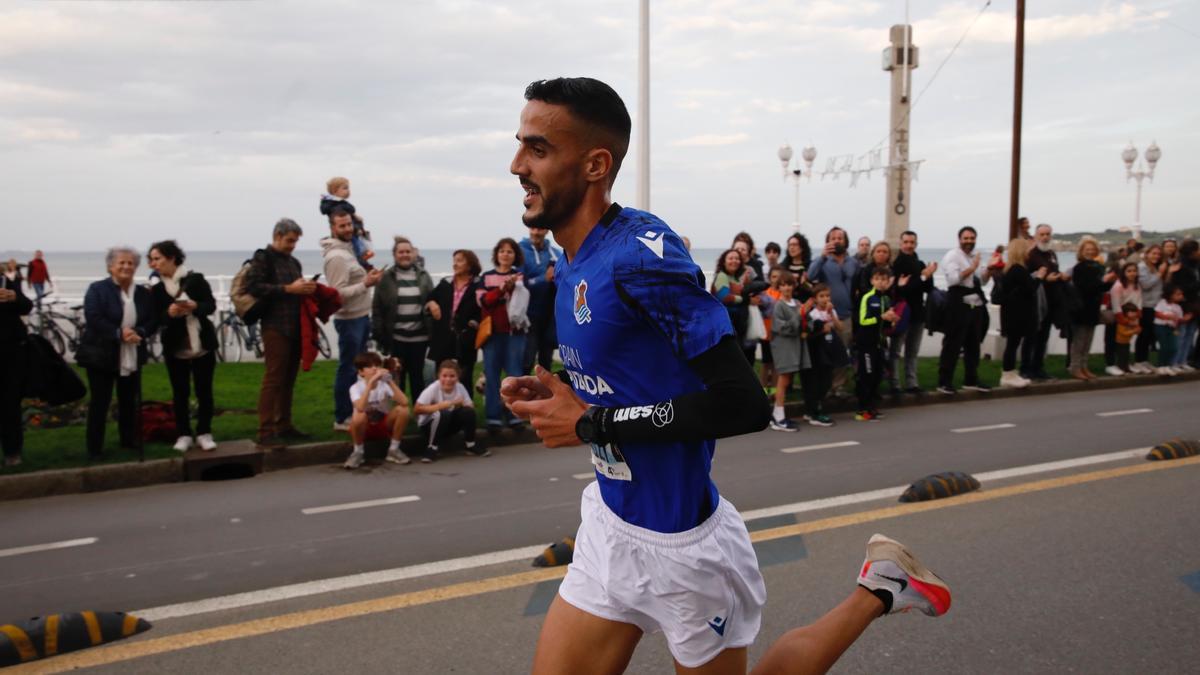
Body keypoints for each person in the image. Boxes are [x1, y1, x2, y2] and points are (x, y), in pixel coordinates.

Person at [501, 77, 950, 675]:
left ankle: (881, 587)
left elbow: (742, 403)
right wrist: (562, 391)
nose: (516, 166)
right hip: (610, 524)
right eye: (519, 146)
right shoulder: (573, 257)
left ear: (594, 164)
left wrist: (590, 422)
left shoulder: (642, 256)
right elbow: (636, 373)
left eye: (536, 149)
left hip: (684, 549)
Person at [79, 247, 156, 459]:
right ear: (110, 266)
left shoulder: (142, 293)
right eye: (121, 262)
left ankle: (128, 440)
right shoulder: (98, 289)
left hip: (132, 351)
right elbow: (93, 317)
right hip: (101, 354)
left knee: (128, 400)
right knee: (100, 402)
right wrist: (119, 333)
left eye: (130, 263)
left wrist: (139, 332)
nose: (126, 267)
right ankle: (95, 447)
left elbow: (151, 320)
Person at [245, 218, 315, 448]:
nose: (292, 245)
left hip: (295, 325)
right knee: (273, 379)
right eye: (289, 241)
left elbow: (294, 289)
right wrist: (288, 289)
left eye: (295, 241)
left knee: (288, 380)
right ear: (277, 236)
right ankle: (265, 430)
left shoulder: (293, 262)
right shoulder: (263, 259)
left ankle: (284, 424)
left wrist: (305, 288)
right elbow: (254, 287)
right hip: (275, 325)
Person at [147, 240, 218, 452]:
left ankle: (204, 432)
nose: (153, 264)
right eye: (151, 260)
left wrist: (195, 306)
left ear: (172, 258)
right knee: (180, 392)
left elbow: (210, 305)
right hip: (176, 346)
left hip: (202, 343)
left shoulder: (195, 280)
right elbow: (155, 318)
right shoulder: (157, 288)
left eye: (157, 258)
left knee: (204, 391)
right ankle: (184, 433)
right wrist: (168, 314)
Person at [323, 208, 385, 430]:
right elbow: (336, 294)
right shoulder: (336, 256)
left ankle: (355, 410)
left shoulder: (350, 249)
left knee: (357, 369)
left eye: (349, 224)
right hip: (349, 319)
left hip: (360, 316)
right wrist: (365, 284)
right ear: (333, 228)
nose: (348, 228)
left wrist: (369, 279)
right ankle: (342, 417)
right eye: (342, 225)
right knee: (348, 368)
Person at [371, 236, 435, 399]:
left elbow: (432, 300)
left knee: (417, 378)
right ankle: (400, 413)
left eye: (408, 251)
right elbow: (377, 307)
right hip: (396, 338)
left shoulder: (424, 275)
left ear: (413, 254)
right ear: (394, 254)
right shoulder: (385, 277)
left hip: (419, 339)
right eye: (401, 252)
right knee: (397, 379)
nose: (405, 255)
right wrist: (379, 335)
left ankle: (421, 415)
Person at [478, 237, 529, 431]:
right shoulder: (486, 276)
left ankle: (515, 414)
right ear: (496, 254)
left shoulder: (519, 276)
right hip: (492, 334)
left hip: (514, 333)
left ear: (515, 255)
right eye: (502, 251)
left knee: (514, 376)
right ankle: (493, 417)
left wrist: (507, 290)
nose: (505, 255)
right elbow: (484, 302)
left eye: (510, 251)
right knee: (491, 375)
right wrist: (501, 290)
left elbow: (522, 303)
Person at [937, 226, 993, 395]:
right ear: (959, 239)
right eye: (966, 238)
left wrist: (989, 270)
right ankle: (944, 381)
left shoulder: (972, 257)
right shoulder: (952, 256)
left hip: (974, 302)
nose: (969, 241)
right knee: (953, 343)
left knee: (973, 343)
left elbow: (981, 282)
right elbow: (953, 280)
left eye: (972, 238)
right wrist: (972, 268)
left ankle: (971, 379)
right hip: (957, 301)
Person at [808, 227, 859, 397]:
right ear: (828, 241)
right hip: (826, 316)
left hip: (846, 315)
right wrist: (822, 256)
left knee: (843, 353)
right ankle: (825, 386)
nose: (837, 241)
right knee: (826, 352)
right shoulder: (822, 260)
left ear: (846, 241)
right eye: (833, 238)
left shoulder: (853, 263)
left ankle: (839, 386)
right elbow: (810, 275)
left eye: (840, 238)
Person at [344, 351, 412, 469]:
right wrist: (370, 385)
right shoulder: (355, 388)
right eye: (369, 366)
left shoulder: (384, 385)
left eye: (377, 365)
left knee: (403, 410)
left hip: (383, 425)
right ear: (361, 372)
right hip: (364, 427)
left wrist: (390, 381)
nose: (375, 369)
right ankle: (358, 452)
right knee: (358, 415)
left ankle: (394, 449)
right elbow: (360, 407)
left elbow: (405, 402)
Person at [889, 230, 936, 394]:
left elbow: (928, 289)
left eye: (912, 242)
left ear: (916, 244)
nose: (909, 245)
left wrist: (928, 276)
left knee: (912, 351)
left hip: (917, 312)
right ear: (901, 244)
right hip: (901, 312)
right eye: (906, 242)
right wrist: (922, 278)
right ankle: (894, 383)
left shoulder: (920, 263)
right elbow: (904, 289)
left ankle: (912, 383)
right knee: (895, 350)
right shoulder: (898, 264)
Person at [428, 250, 483, 387]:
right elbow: (430, 298)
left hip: (466, 337)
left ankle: (465, 406)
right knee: (441, 376)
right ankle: (441, 407)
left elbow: (483, 308)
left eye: (459, 260)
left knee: (465, 377)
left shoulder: (479, 284)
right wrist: (432, 304)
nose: (455, 264)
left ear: (470, 265)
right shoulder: (445, 282)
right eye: (454, 260)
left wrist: (475, 323)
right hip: (443, 336)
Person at [1022, 223, 1069, 381]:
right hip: (1035, 302)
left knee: (1043, 338)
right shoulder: (1030, 255)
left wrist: (1060, 275)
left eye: (1047, 234)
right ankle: (1026, 369)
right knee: (1031, 337)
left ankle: (1038, 368)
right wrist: (1044, 279)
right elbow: (1025, 278)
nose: (1045, 237)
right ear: (1036, 236)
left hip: (1050, 301)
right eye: (1042, 234)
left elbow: (1053, 270)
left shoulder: (1051, 254)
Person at [414, 359, 486, 462]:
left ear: (458, 377)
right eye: (444, 376)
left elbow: (470, 406)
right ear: (439, 376)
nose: (448, 379)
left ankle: (470, 444)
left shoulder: (460, 387)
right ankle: (432, 448)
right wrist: (440, 406)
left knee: (468, 412)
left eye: (452, 376)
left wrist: (462, 404)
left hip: (448, 425)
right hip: (429, 427)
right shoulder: (433, 388)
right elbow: (417, 409)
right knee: (443, 413)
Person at [1068, 237, 1117, 380]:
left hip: (1093, 307)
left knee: (1088, 340)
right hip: (1081, 308)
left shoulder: (1098, 267)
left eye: (1092, 249)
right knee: (1079, 341)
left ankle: (1084, 366)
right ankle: (1075, 367)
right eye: (1087, 249)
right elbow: (1085, 288)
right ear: (1081, 251)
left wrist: (1109, 283)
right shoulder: (1079, 268)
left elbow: (1100, 288)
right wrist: (1103, 281)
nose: (1090, 252)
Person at [998, 238, 1043, 388]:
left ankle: (1010, 373)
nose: (1029, 252)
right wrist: (1039, 277)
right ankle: (1007, 374)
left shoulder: (1011, 269)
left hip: (1012, 313)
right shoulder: (1018, 269)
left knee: (1013, 343)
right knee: (1013, 344)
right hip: (1016, 314)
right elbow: (1030, 289)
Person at [854, 266, 898, 421]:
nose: (880, 282)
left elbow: (885, 324)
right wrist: (882, 318)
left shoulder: (886, 299)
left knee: (877, 375)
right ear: (872, 280)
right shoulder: (867, 297)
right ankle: (862, 410)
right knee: (867, 375)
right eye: (877, 279)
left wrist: (891, 321)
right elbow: (863, 320)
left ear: (888, 282)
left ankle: (872, 407)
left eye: (884, 279)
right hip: (866, 343)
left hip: (879, 343)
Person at [0, 269, 32, 467]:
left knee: (10, 405)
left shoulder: (3, 280)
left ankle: (13, 452)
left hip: (9, 354)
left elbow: (27, 306)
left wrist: (14, 297)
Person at [520, 226, 563, 373]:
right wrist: (543, 279)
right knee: (526, 360)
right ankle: (521, 394)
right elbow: (520, 284)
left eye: (540, 228)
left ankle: (547, 394)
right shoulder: (520, 251)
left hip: (550, 316)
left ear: (547, 231)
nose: (536, 232)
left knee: (546, 362)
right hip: (527, 315)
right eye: (533, 228)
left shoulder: (556, 253)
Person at [801, 284, 843, 427]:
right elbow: (809, 334)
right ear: (815, 299)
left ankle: (814, 408)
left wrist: (831, 315)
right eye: (822, 296)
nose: (825, 299)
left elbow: (840, 328)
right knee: (818, 382)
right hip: (817, 351)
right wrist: (822, 331)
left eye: (827, 296)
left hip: (829, 349)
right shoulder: (813, 314)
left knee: (827, 380)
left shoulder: (831, 311)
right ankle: (814, 411)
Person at [768, 270, 804, 431]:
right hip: (783, 346)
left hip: (795, 346)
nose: (787, 288)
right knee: (783, 380)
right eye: (783, 285)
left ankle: (778, 413)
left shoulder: (796, 303)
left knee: (787, 379)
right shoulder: (779, 305)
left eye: (789, 284)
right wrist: (800, 315)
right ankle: (778, 417)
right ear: (779, 287)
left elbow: (803, 323)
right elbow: (781, 328)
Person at [319, 176, 374, 269]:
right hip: (351, 233)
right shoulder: (336, 205)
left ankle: (364, 261)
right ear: (335, 191)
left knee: (360, 247)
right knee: (357, 249)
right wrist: (356, 229)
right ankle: (363, 263)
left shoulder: (339, 203)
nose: (348, 191)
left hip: (354, 231)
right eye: (345, 188)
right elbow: (345, 220)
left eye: (348, 188)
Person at [711, 249, 755, 364]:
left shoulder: (734, 278)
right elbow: (724, 297)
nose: (734, 261)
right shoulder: (722, 276)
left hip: (736, 325)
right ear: (724, 262)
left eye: (737, 258)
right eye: (731, 258)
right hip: (726, 326)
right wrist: (744, 299)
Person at [1134, 244, 1169, 373]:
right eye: (1154, 253)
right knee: (1143, 334)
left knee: (1149, 335)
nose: (1156, 256)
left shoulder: (1154, 267)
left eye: (1159, 254)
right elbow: (1146, 285)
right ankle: (1138, 361)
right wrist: (1160, 273)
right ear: (1147, 254)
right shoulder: (1142, 267)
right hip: (1146, 305)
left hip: (1155, 305)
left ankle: (1144, 360)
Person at [1103, 262, 1142, 376]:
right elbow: (1116, 304)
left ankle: (1124, 364)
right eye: (1129, 271)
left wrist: (1137, 316)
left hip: (1130, 316)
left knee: (1125, 342)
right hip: (1117, 316)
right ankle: (1110, 364)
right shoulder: (1118, 285)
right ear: (1123, 273)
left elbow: (1138, 301)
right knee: (1111, 340)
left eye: (1134, 271)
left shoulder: (1137, 285)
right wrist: (1122, 319)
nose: (1132, 273)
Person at [1167, 239, 1199, 371]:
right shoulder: (1181, 266)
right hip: (1185, 303)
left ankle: (1184, 360)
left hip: (1194, 302)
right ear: (1191, 252)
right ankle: (1175, 361)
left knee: (1190, 333)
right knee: (1183, 334)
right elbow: (1181, 287)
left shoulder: (1195, 264)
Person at [1153, 284, 1187, 375]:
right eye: (1178, 294)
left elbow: (1179, 319)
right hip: (1161, 327)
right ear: (1170, 294)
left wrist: (1180, 322)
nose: (1181, 296)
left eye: (1181, 294)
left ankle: (1167, 365)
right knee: (1164, 347)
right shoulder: (1162, 302)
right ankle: (1160, 366)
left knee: (1173, 347)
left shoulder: (1178, 307)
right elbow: (1157, 314)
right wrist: (1167, 317)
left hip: (1172, 328)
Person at [780, 233, 812, 300]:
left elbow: (816, 289)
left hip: (805, 303)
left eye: (795, 245)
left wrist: (805, 284)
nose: (791, 247)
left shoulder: (810, 266)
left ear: (802, 247)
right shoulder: (783, 266)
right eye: (789, 245)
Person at [1113, 303, 1142, 374]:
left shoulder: (1132, 320)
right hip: (1120, 342)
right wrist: (1133, 331)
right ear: (1125, 312)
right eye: (1131, 312)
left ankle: (1126, 367)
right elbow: (1123, 333)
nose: (1134, 314)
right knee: (1121, 355)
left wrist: (1137, 330)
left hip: (1127, 342)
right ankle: (1121, 368)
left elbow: (1136, 329)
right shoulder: (1122, 321)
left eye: (1134, 312)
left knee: (1127, 355)